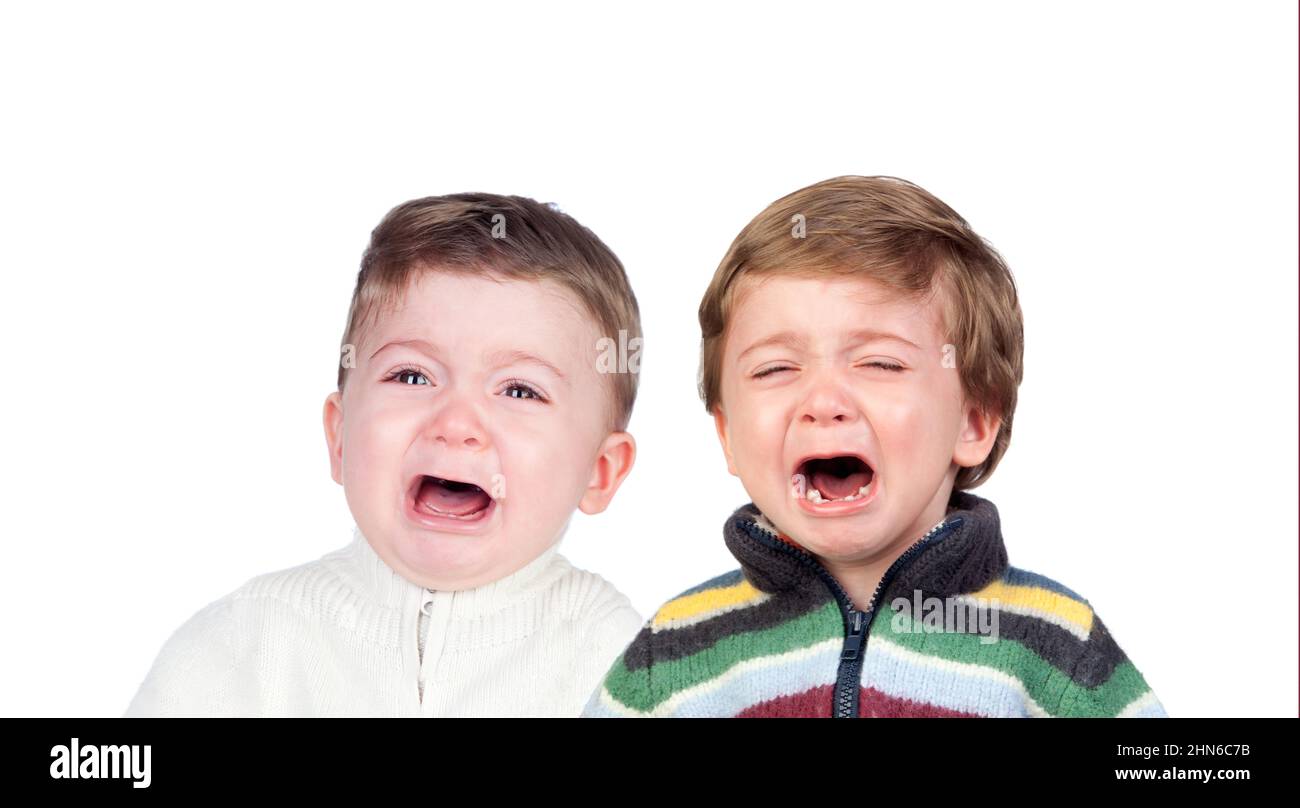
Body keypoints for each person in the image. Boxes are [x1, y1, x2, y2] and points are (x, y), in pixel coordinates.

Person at [583, 176, 1167, 717]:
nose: (824, 400)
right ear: (728, 437)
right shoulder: (674, 654)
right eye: (775, 368)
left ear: (973, 421)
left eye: (881, 363)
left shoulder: (1054, 646)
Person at [126, 193, 645, 716]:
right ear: (341, 436)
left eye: (519, 391)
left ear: (599, 473)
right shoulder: (238, 650)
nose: (457, 424)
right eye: (412, 375)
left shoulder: (625, 663)